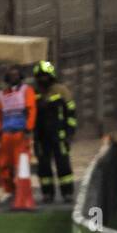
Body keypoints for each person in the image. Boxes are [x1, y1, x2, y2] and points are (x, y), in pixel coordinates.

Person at [31, 60, 77, 202]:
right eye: (39, 76)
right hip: (41, 137)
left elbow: (71, 112)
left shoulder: (61, 90)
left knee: (63, 164)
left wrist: (69, 132)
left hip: (59, 135)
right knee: (43, 166)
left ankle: (67, 192)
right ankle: (47, 193)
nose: (42, 79)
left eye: (44, 75)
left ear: (51, 75)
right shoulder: (34, 93)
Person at [0, 64, 36, 196]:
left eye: (16, 75)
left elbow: (31, 109)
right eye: (11, 75)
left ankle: (21, 188)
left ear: (20, 76)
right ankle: (9, 190)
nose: (14, 77)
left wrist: (28, 127)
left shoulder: (26, 90)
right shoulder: (1, 94)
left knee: (21, 162)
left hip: (20, 133)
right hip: (6, 133)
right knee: (5, 164)